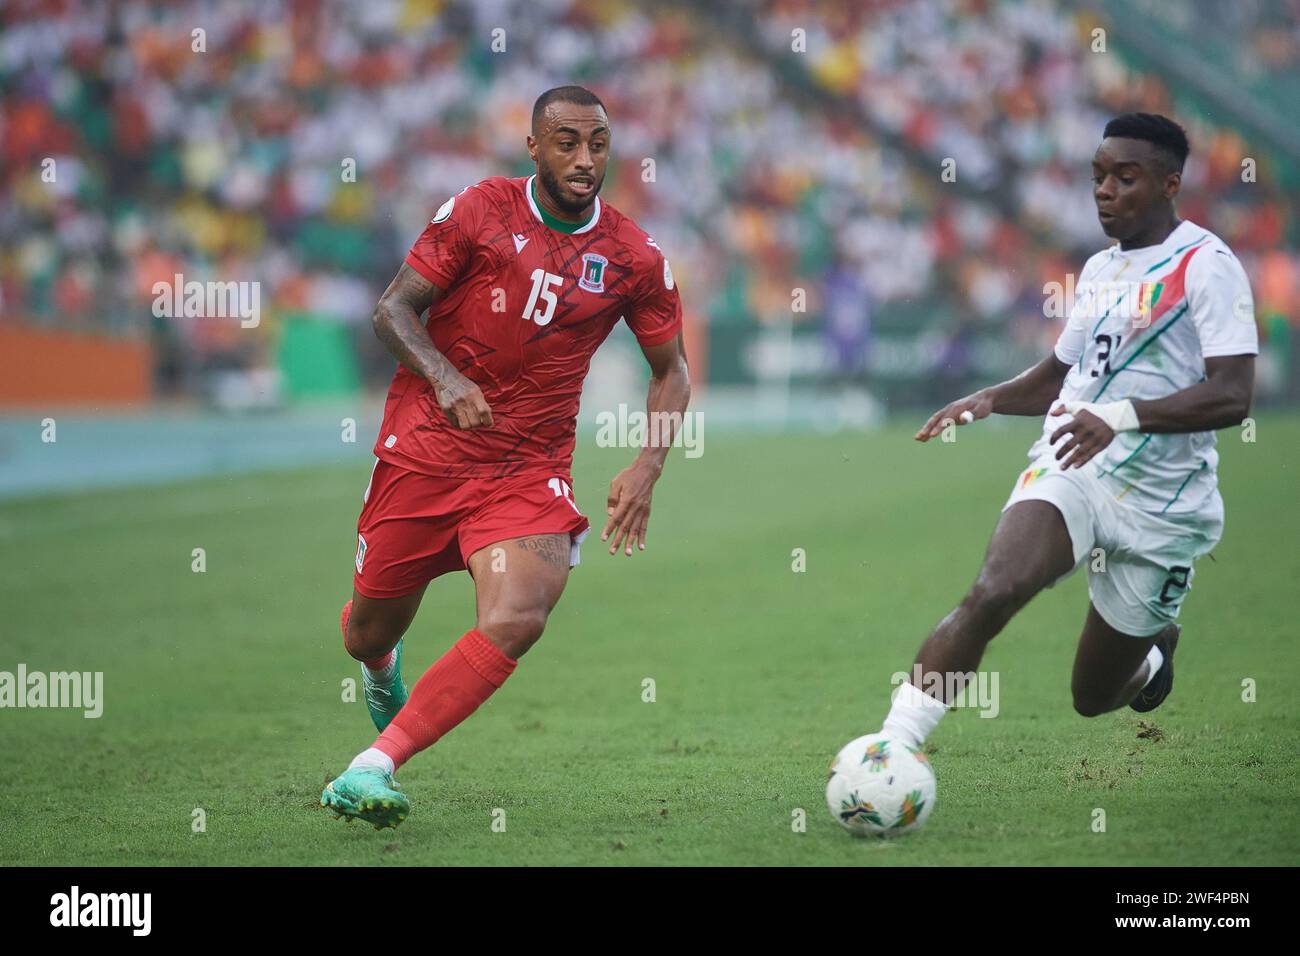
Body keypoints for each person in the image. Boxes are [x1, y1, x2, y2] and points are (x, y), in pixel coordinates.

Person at [321, 86, 691, 828]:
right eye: (566, 142)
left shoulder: (635, 256)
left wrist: (648, 463)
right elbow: (393, 310)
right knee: (368, 630)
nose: (585, 159)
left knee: (520, 613)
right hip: (427, 448)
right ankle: (381, 669)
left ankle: (373, 766)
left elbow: (671, 370)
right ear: (534, 146)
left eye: (597, 142)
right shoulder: (479, 210)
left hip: (528, 466)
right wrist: (447, 377)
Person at [879, 113, 1257, 750]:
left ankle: (1154, 659)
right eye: (1098, 177)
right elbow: (1061, 375)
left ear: (1169, 184)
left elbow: (1233, 395)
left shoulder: (1207, 266)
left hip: (1168, 505)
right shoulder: (1102, 270)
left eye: (1124, 178)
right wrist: (990, 399)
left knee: (1093, 697)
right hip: (1076, 465)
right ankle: (891, 748)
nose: (1104, 190)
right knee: (995, 590)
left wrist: (1120, 416)